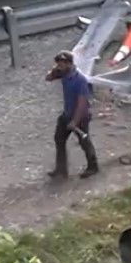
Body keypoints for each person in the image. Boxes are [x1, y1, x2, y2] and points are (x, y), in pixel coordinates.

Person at [46, 51, 98, 179]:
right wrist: (54, 71)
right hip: (67, 113)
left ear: (69, 64)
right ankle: (61, 170)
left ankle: (93, 166)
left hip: (80, 117)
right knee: (59, 139)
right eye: (58, 64)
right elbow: (48, 78)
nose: (59, 66)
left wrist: (75, 121)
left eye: (61, 64)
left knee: (84, 141)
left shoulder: (80, 80)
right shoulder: (64, 73)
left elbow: (82, 103)